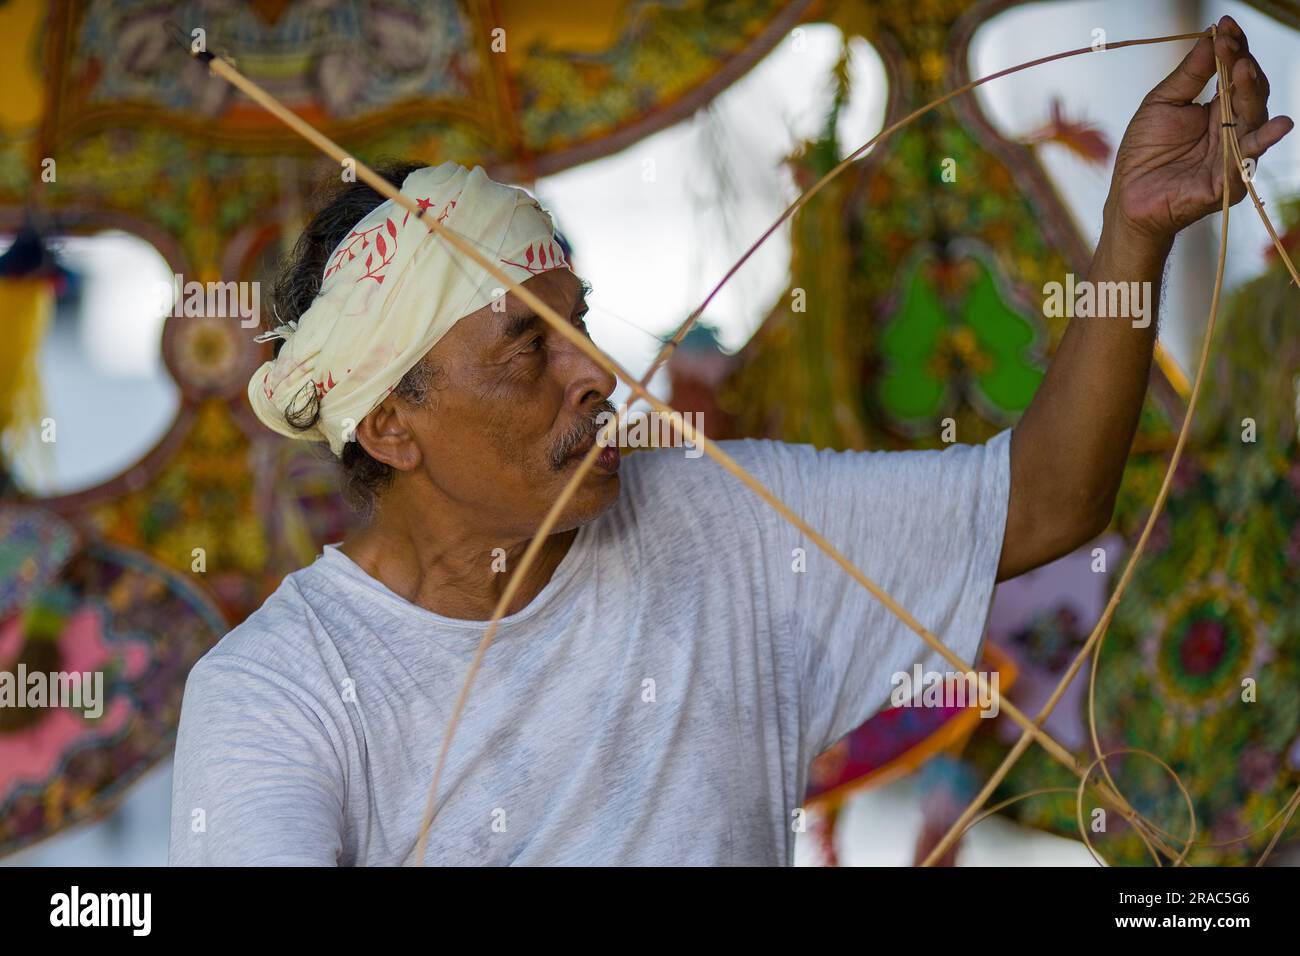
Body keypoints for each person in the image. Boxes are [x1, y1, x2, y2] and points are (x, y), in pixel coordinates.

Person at [169, 18, 1290, 865]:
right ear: (390, 424)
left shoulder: (734, 523)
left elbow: (1046, 501)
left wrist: (1134, 234)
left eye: (583, 323)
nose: (594, 371)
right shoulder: (278, 693)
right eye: (527, 346)